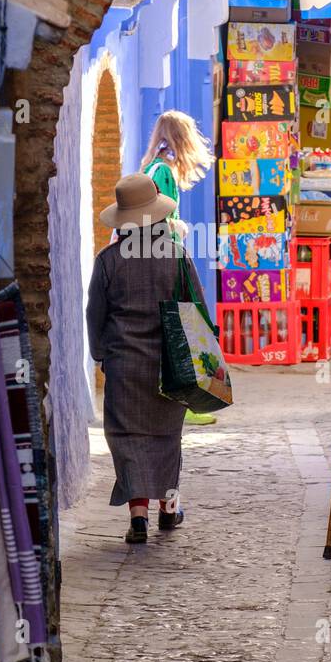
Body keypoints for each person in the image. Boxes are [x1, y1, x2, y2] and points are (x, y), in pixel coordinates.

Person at [87, 173, 200, 544]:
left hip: (124, 366)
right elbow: (194, 309)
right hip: (169, 367)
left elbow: (95, 313)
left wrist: (100, 353)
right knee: (166, 437)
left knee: (128, 437)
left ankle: (138, 517)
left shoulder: (108, 261)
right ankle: (169, 509)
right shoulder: (178, 257)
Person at [139, 110, 218, 425]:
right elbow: (154, 218)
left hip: (154, 258)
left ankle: (182, 397)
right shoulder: (164, 172)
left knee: (176, 326)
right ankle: (184, 398)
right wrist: (178, 227)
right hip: (162, 258)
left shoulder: (153, 166)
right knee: (182, 324)